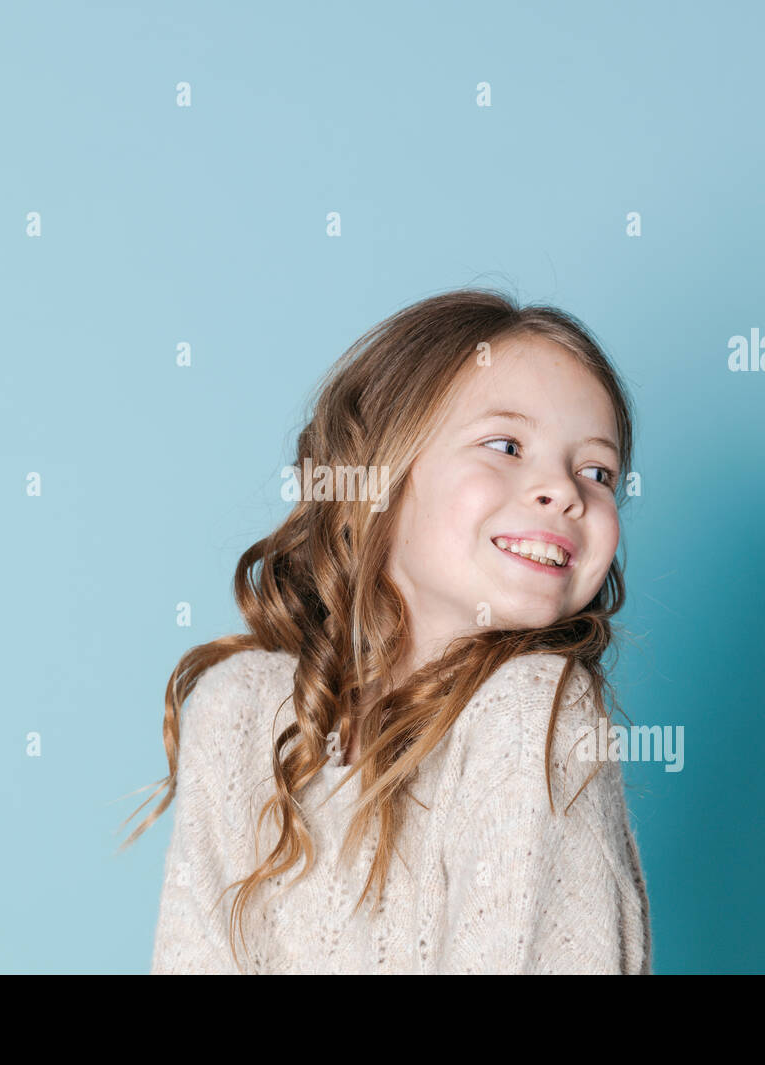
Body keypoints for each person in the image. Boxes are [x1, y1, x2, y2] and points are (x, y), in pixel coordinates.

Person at [122, 287, 652, 974]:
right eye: (506, 445)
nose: (565, 491)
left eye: (597, 471)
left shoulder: (536, 711)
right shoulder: (239, 710)